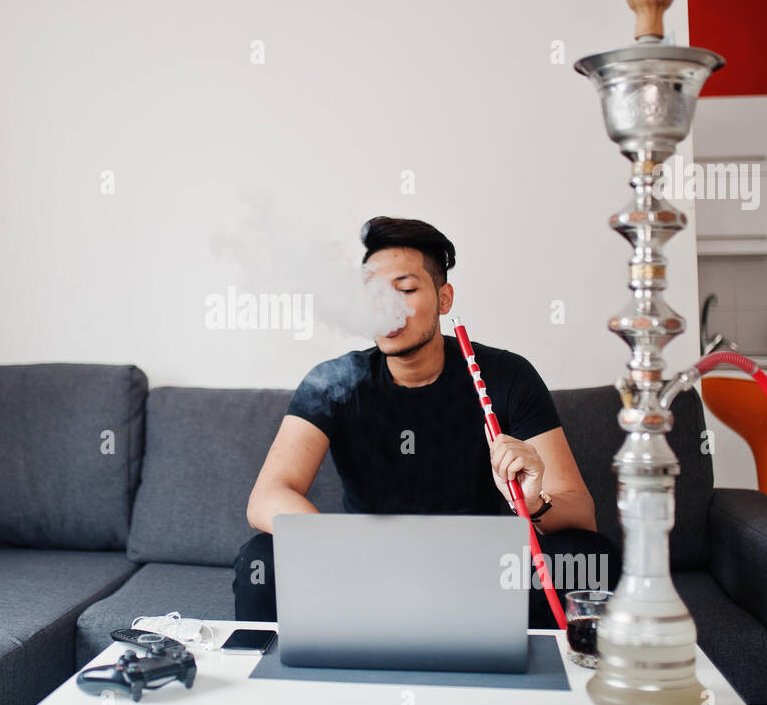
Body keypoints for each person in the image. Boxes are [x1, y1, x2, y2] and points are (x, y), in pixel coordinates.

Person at [233, 216, 619, 629]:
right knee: (262, 558)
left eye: (406, 289)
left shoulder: (506, 375)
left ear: (444, 297)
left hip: (482, 571)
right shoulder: (333, 382)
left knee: (590, 557)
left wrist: (533, 498)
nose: (388, 305)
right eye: (375, 293)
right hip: (364, 571)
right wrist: (342, 548)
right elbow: (268, 496)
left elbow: (581, 513)